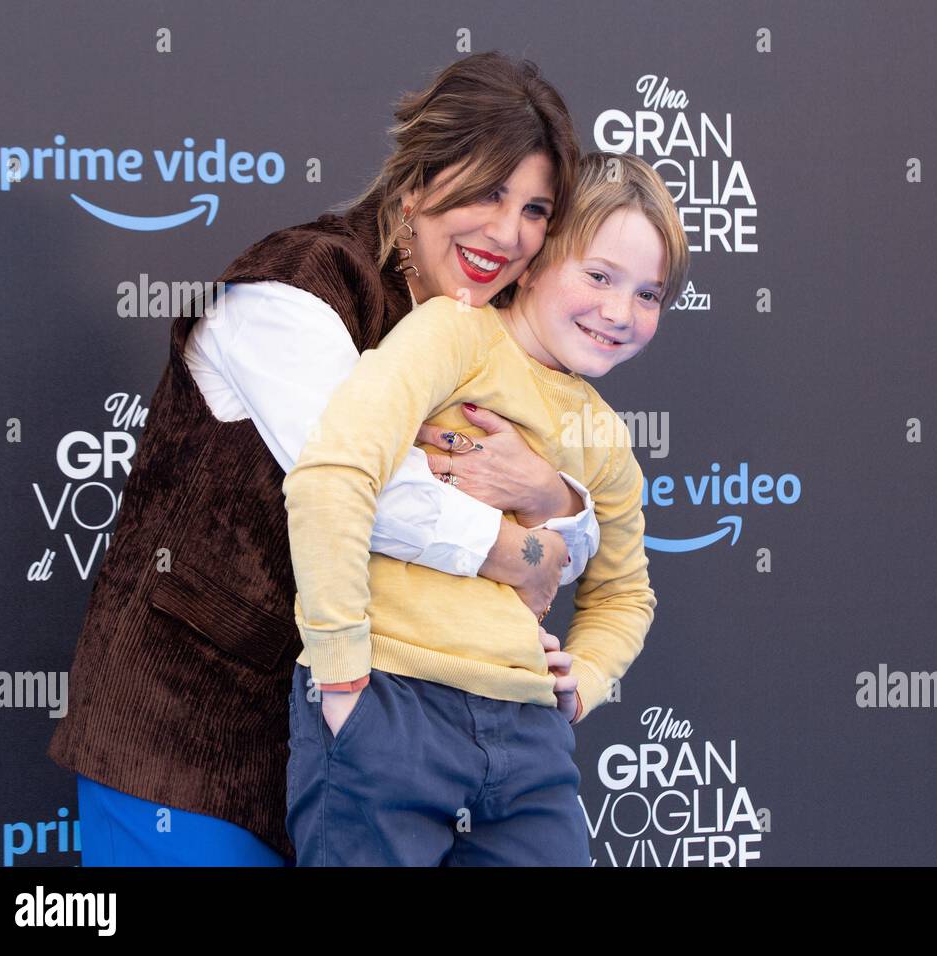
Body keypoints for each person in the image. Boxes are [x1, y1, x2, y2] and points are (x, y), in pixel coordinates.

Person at [47, 52, 591, 866]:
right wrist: (522, 552)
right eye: (486, 190)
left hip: (369, 764)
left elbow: (579, 525)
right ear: (416, 179)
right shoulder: (295, 290)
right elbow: (362, 492)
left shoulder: (490, 335)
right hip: (184, 745)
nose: (508, 233)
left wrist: (550, 494)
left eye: (535, 209)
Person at [284, 150, 691, 865]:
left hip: (526, 737)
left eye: (650, 294)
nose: (619, 312)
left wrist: (583, 679)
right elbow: (333, 475)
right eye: (598, 276)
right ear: (531, 263)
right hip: (390, 697)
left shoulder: (606, 438)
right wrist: (342, 672)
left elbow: (626, 593)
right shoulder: (453, 334)